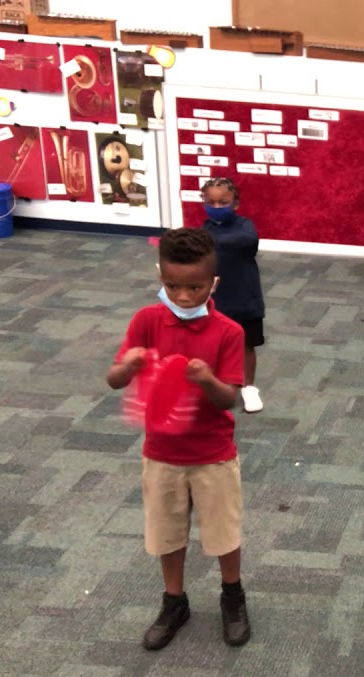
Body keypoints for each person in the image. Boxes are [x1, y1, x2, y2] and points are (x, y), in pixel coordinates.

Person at [106, 227, 251, 651]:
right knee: (166, 533)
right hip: (161, 454)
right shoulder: (147, 321)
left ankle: (233, 597)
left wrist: (206, 380)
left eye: (195, 287)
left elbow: (230, 399)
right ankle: (175, 601)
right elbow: (113, 379)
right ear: (160, 278)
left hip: (213, 455)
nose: (184, 296)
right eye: (173, 286)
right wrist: (128, 366)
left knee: (224, 533)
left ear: (214, 284)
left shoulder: (228, 332)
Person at [200, 177, 266, 414]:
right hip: (215, 300)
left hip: (245, 296)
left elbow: (248, 241)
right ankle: (217, 385)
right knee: (213, 344)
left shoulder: (245, 225)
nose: (217, 207)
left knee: (247, 344)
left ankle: (249, 388)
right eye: (211, 202)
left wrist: (213, 241)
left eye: (223, 202)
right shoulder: (204, 231)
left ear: (235, 204)